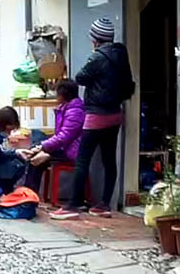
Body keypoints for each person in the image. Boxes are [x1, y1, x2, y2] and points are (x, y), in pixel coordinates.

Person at [54, 18, 134, 219]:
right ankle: (104, 205)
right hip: (115, 113)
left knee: (83, 159)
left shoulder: (97, 57)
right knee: (109, 159)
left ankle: (72, 205)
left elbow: (80, 77)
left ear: (95, 39)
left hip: (96, 114)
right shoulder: (121, 54)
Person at [17, 80, 84, 205]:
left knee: (37, 159)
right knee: (35, 155)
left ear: (63, 95)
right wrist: (41, 147)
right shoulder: (66, 108)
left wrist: (43, 147)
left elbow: (63, 137)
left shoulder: (75, 112)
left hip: (71, 152)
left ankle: (29, 196)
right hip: (64, 148)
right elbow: (59, 137)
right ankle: (29, 194)